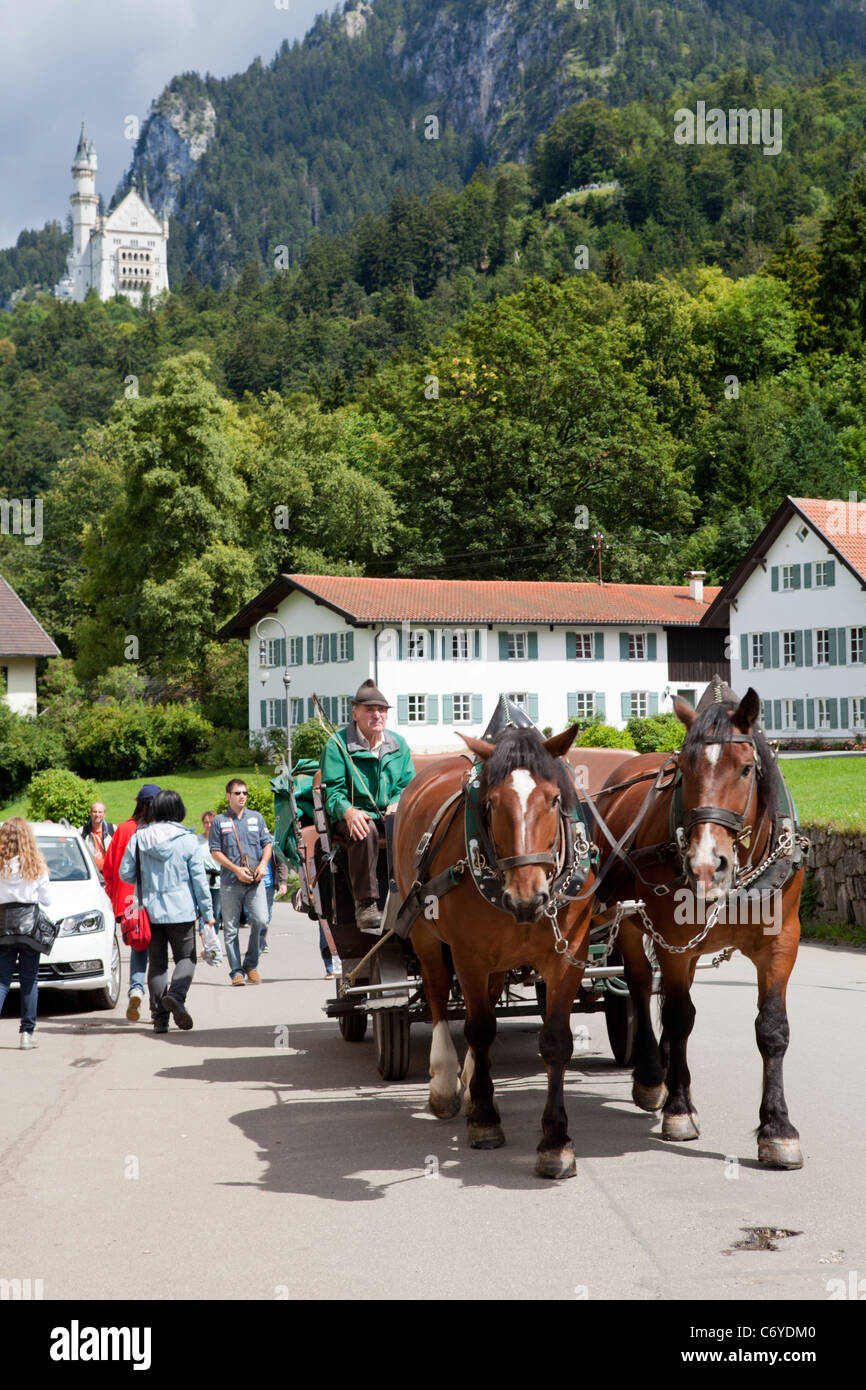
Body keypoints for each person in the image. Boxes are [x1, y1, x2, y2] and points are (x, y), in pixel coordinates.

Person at [319, 679, 415, 930]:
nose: (377, 715)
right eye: (370, 709)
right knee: (364, 829)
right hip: (352, 816)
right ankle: (366, 904)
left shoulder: (399, 745)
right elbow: (334, 793)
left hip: (390, 815)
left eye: (382, 710)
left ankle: (411, 896)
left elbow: (407, 785)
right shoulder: (337, 745)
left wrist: (397, 802)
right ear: (355, 714)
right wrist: (348, 811)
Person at [120, 789, 214, 1034]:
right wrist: (208, 912)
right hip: (181, 910)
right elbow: (199, 881)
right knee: (186, 958)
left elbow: (125, 873)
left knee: (157, 964)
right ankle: (176, 996)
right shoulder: (187, 840)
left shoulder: (140, 838)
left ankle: (160, 1020)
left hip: (149, 912)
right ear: (179, 810)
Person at [103, 784, 161, 1023]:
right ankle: (158, 1007)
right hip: (158, 899)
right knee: (158, 953)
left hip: (130, 903)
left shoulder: (125, 829)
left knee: (139, 947)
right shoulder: (160, 830)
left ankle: (136, 988)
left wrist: (114, 899)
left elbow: (110, 867)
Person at [209, 780, 273, 986]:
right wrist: (236, 870)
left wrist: (263, 864)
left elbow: (267, 844)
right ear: (228, 796)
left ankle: (251, 964)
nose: (242, 796)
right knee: (230, 929)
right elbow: (215, 851)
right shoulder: (219, 821)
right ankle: (236, 971)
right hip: (229, 882)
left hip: (255, 881)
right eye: (237, 793)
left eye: (244, 792)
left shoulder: (257, 817)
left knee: (262, 921)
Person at [0, 818, 54, 1049]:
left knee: (2, 981)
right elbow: (47, 900)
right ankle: (27, 1034)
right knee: (29, 979)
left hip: (3, 925)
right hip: (29, 926)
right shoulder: (35, 864)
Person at [198, 811, 222, 934]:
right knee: (204, 912)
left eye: (212, 822)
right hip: (203, 881)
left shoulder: (221, 840)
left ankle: (213, 939)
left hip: (218, 881)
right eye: (206, 822)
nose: (209, 825)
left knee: (216, 913)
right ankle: (204, 940)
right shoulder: (197, 840)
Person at [80, 802, 115, 880]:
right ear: (90, 813)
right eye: (94, 811)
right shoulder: (82, 831)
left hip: (109, 874)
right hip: (90, 874)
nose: (97, 814)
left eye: (100, 812)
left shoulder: (112, 830)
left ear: (104, 814)